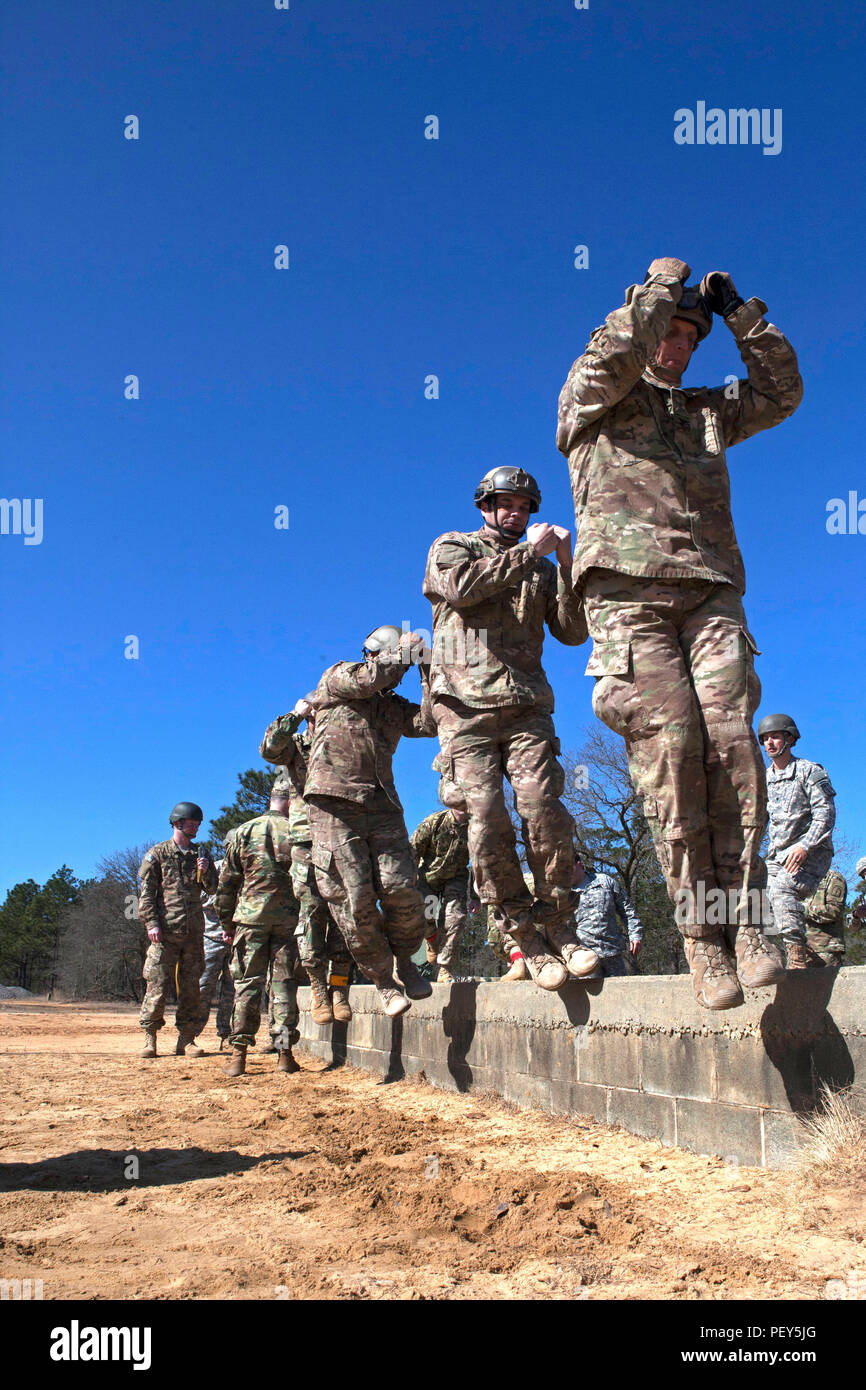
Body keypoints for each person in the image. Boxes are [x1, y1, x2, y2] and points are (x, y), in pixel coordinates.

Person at [556, 258, 803, 1009]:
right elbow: (611, 354)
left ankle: (745, 921)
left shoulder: (705, 412)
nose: (677, 346)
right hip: (627, 598)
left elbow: (781, 394)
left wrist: (739, 317)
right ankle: (701, 939)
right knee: (672, 749)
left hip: (710, 591)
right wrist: (659, 290)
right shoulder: (591, 403)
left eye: (690, 338)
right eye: (668, 332)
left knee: (732, 744)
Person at [423, 468, 591, 993]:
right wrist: (529, 554)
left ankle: (561, 927)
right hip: (464, 710)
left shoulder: (541, 565)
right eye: (506, 503)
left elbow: (571, 631)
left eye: (525, 505)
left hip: (525, 707)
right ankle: (525, 939)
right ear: (485, 506)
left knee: (544, 809)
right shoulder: (454, 545)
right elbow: (461, 589)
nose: (516, 513)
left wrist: (565, 564)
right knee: (486, 820)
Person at [304, 625, 437, 1017]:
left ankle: (406, 963)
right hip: (334, 803)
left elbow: (428, 723)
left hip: (381, 805)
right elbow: (372, 678)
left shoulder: (390, 705)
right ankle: (381, 980)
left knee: (402, 891)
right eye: (392, 654)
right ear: (374, 653)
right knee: (355, 900)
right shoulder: (340, 676)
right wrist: (405, 655)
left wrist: (428, 670)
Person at [260, 706, 355, 1026]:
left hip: (342, 837)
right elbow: (269, 748)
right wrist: (295, 714)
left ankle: (339, 987)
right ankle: (318, 987)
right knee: (311, 912)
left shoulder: (345, 740)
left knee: (346, 913)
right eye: (317, 712)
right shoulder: (296, 745)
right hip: (306, 841)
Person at [216, 787, 302, 1076]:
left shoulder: (244, 831)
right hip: (288, 922)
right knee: (284, 986)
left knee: (247, 985)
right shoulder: (297, 832)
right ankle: (284, 1054)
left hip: (250, 921)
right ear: (289, 802)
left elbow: (226, 885)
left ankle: (238, 1055)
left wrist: (228, 924)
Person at [138, 802, 218, 1058]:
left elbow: (213, 889)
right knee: (157, 986)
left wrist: (205, 872)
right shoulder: (158, 854)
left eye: (197, 824)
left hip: (193, 934)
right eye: (191, 823)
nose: (195, 827)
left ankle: (187, 1039)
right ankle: (150, 1039)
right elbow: (147, 894)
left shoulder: (200, 854)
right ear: (177, 823)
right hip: (165, 933)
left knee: (191, 988)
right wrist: (151, 923)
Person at [759, 714, 836, 970]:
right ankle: (804, 953)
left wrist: (805, 846)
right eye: (765, 739)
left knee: (782, 889)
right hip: (777, 855)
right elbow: (759, 818)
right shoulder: (764, 779)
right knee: (754, 895)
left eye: (775, 736)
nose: (769, 743)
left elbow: (825, 814)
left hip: (811, 853)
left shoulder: (809, 771)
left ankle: (796, 956)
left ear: (789, 739)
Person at [412, 776, 473, 984]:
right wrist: (407, 883)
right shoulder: (434, 823)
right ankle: (430, 939)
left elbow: (483, 863)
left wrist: (475, 895)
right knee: (427, 914)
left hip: (455, 878)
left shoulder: (476, 829)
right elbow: (413, 852)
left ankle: (444, 967)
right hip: (428, 878)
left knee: (455, 918)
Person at [571, 856, 641, 977]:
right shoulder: (563, 893)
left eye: (568, 867)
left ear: (579, 864)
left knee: (621, 992)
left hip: (613, 952)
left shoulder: (604, 881)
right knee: (591, 994)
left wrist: (635, 935)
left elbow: (627, 910)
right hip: (585, 957)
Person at [196, 858, 234, 1048]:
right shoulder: (212, 868)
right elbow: (200, 900)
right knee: (203, 988)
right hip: (211, 938)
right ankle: (190, 1035)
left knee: (233, 991)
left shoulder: (247, 869)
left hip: (237, 940)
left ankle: (227, 1035)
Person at [803, 869, 849, 969]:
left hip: (824, 949)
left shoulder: (834, 878)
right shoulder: (797, 879)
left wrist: (802, 909)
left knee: (824, 984)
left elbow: (834, 911)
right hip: (799, 949)